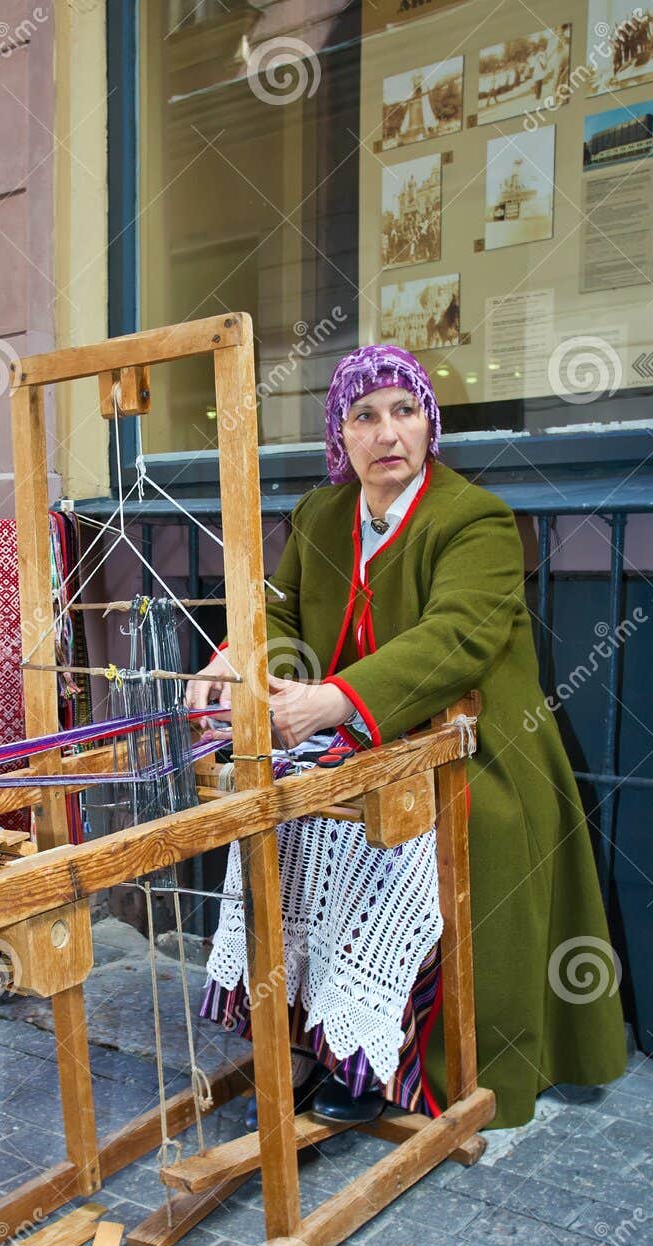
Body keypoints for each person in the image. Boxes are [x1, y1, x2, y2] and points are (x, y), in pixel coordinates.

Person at [187, 344, 627, 1131]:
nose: (386, 433)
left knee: (398, 840)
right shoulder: (321, 515)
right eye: (364, 416)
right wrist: (231, 660)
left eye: (404, 411)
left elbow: (456, 638)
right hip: (361, 739)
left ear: (428, 424)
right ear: (340, 435)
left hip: (479, 749)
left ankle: (410, 1066)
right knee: (290, 820)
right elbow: (279, 616)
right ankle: (327, 1034)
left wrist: (333, 701)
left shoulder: (474, 521)